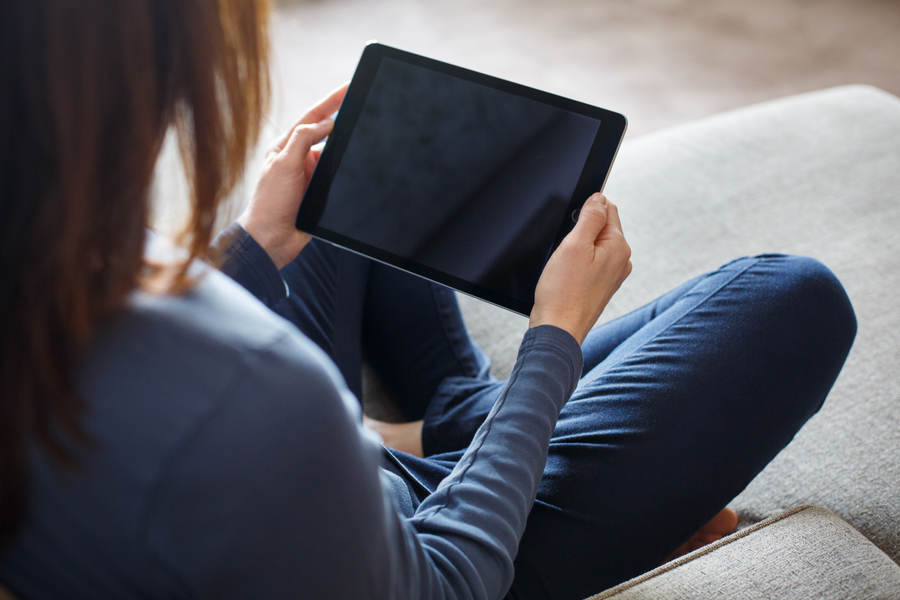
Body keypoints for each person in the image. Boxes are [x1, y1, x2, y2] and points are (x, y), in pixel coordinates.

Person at [0, 1, 856, 599]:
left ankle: (451, 418)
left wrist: (258, 250)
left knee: (352, 185)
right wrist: (554, 337)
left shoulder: (56, 283)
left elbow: (149, 377)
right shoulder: (258, 389)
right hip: (445, 549)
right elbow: (447, 581)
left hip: (303, 475)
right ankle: (489, 440)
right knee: (792, 297)